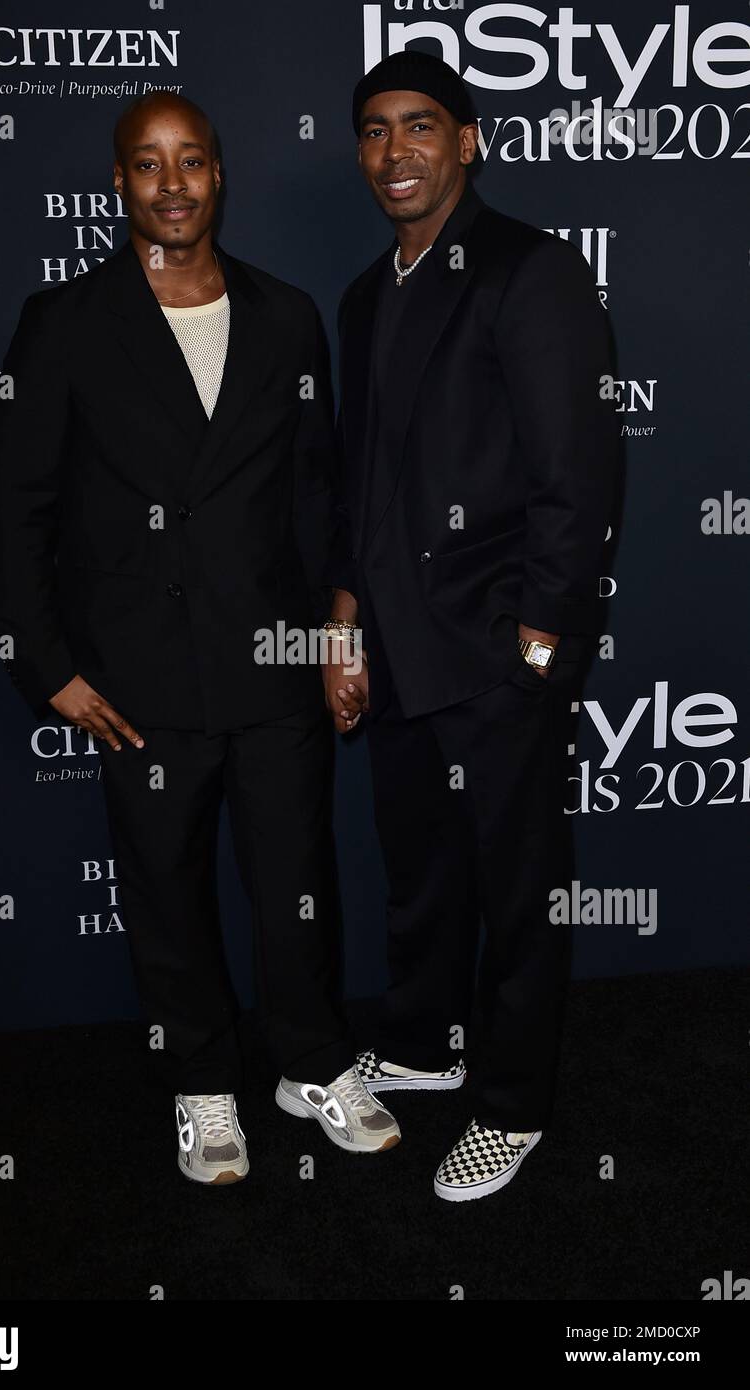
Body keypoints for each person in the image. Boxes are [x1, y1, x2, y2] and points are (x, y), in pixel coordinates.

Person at [0, 91, 400, 1188]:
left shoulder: (287, 315)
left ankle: (309, 1062)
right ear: (117, 182)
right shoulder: (63, 321)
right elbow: (17, 508)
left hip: (273, 665)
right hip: (137, 678)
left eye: (193, 162)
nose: (172, 184)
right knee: (166, 895)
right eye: (148, 164)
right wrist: (49, 666)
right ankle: (202, 1084)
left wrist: (337, 630)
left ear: (222, 174)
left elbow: (320, 497)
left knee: (296, 879)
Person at [322, 51, 619, 1201]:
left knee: (518, 889)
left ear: (468, 140)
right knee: (420, 869)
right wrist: (344, 619)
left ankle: (513, 1103)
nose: (395, 151)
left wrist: (539, 647)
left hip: (495, 651)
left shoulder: (527, 272)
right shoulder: (361, 296)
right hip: (394, 646)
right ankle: (422, 1041)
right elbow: (362, 482)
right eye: (374, 131)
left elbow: (578, 481)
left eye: (420, 127)